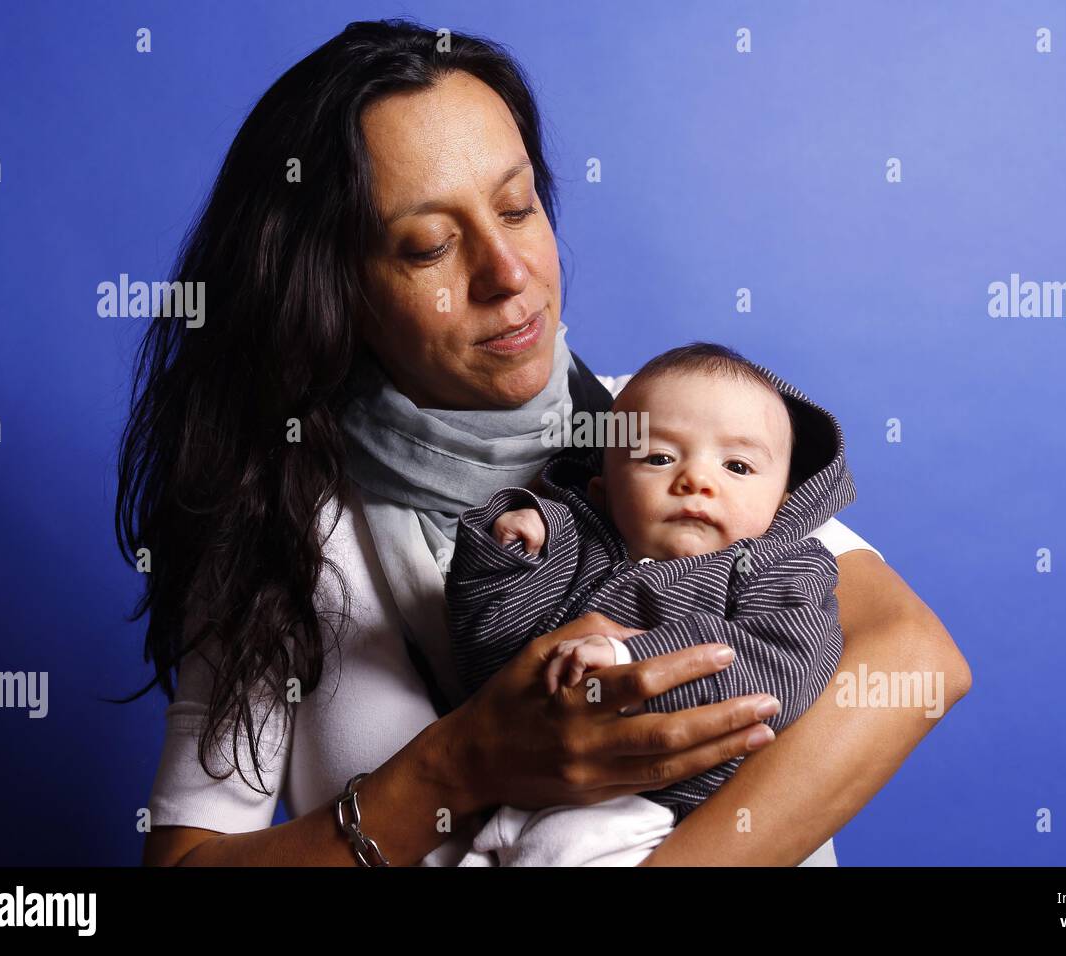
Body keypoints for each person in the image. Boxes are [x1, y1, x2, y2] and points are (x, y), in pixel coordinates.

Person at [120, 19, 971, 868]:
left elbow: (916, 660)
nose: (507, 271)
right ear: (334, 290)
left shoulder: (669, 426)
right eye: (430, 247)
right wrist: (462, 764)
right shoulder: (281, 522)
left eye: (517, 206)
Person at [438, 342, 855, 865]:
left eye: (738, 466)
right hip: (516, 800)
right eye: (659, 457)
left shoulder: (785, 569)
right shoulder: (570, 546)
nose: (697, 481)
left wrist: (630, 665)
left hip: (658, 810)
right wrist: (507, 555)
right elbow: (485, 656)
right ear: (604, 488)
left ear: (782, 502)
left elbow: (782, 668)